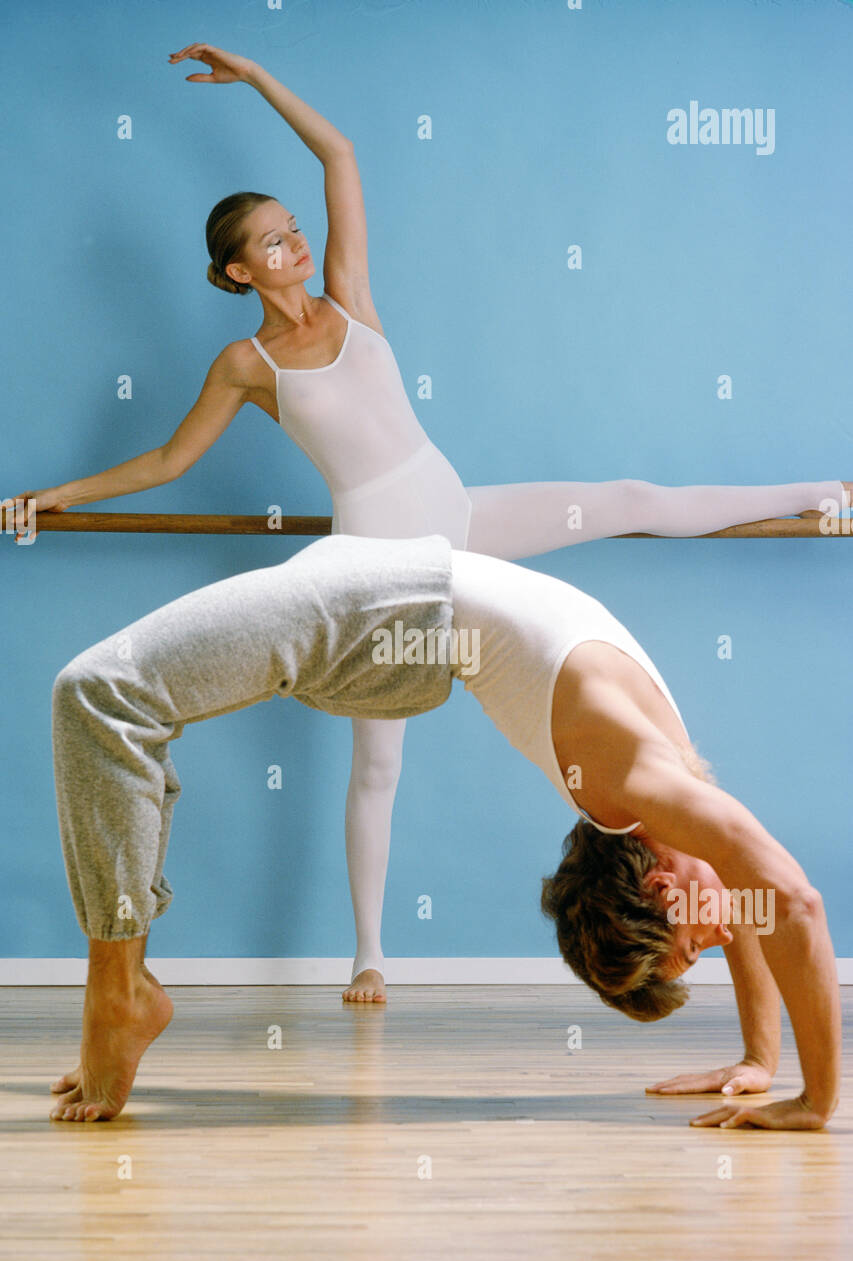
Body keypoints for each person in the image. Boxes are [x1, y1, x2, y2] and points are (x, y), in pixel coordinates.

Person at [10, 42, 849, 1007]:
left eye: (291, 230)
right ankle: (369, 954)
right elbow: (167, 462)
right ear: (237, 272)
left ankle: (810, 491)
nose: (291, 246)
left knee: (624, 498)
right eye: (271, 243)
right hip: (381, 560)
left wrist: (259, 79)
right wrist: (63, 492)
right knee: (380, 762)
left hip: (454, 511)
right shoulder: (247, 364)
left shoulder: (352, 301)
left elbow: (342, 158)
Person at [47, 532, 839, 1130]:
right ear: (664, 889)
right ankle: (118, 994)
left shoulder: (666, 795)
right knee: (102, 693)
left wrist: (757, 1060)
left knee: (110, 701)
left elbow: (752, 904)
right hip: (392, 599)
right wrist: (813, 1099)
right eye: (692, 947)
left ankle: (120, 991)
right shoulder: (638, 781)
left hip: (393, 607)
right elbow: (790, 904)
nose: (722, 938)